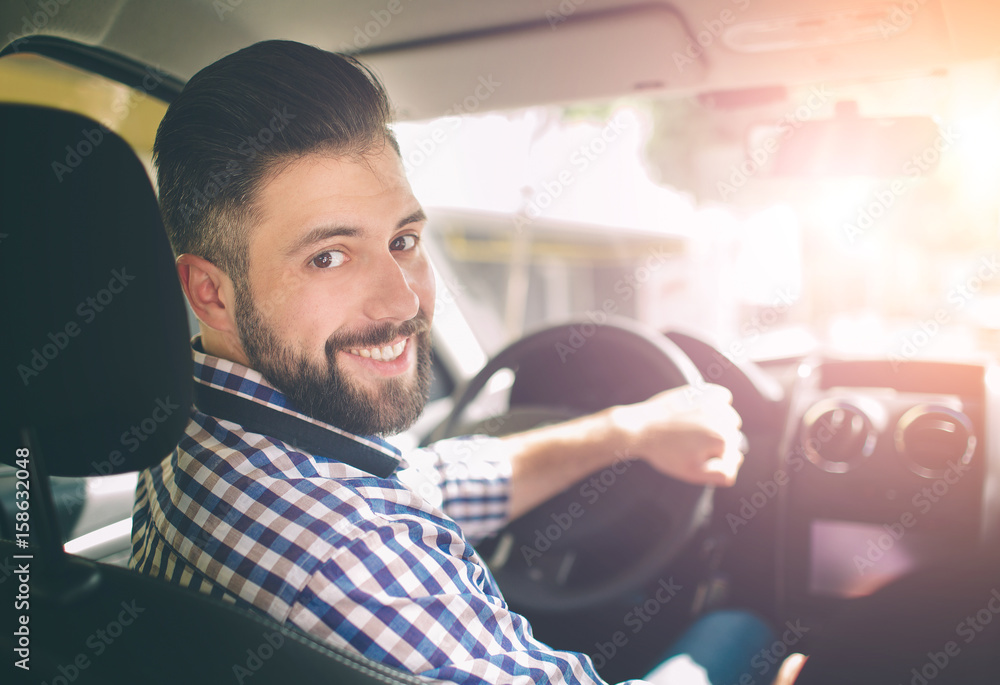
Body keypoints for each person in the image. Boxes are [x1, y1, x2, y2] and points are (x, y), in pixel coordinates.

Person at [130, 39, 773, 684]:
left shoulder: (193, 432)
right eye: (328, 256)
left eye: (403, 241)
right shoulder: (355, 558)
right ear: (210, 292)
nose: (403, 299)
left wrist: (626, 432)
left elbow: (421, 482)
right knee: (740, 632)